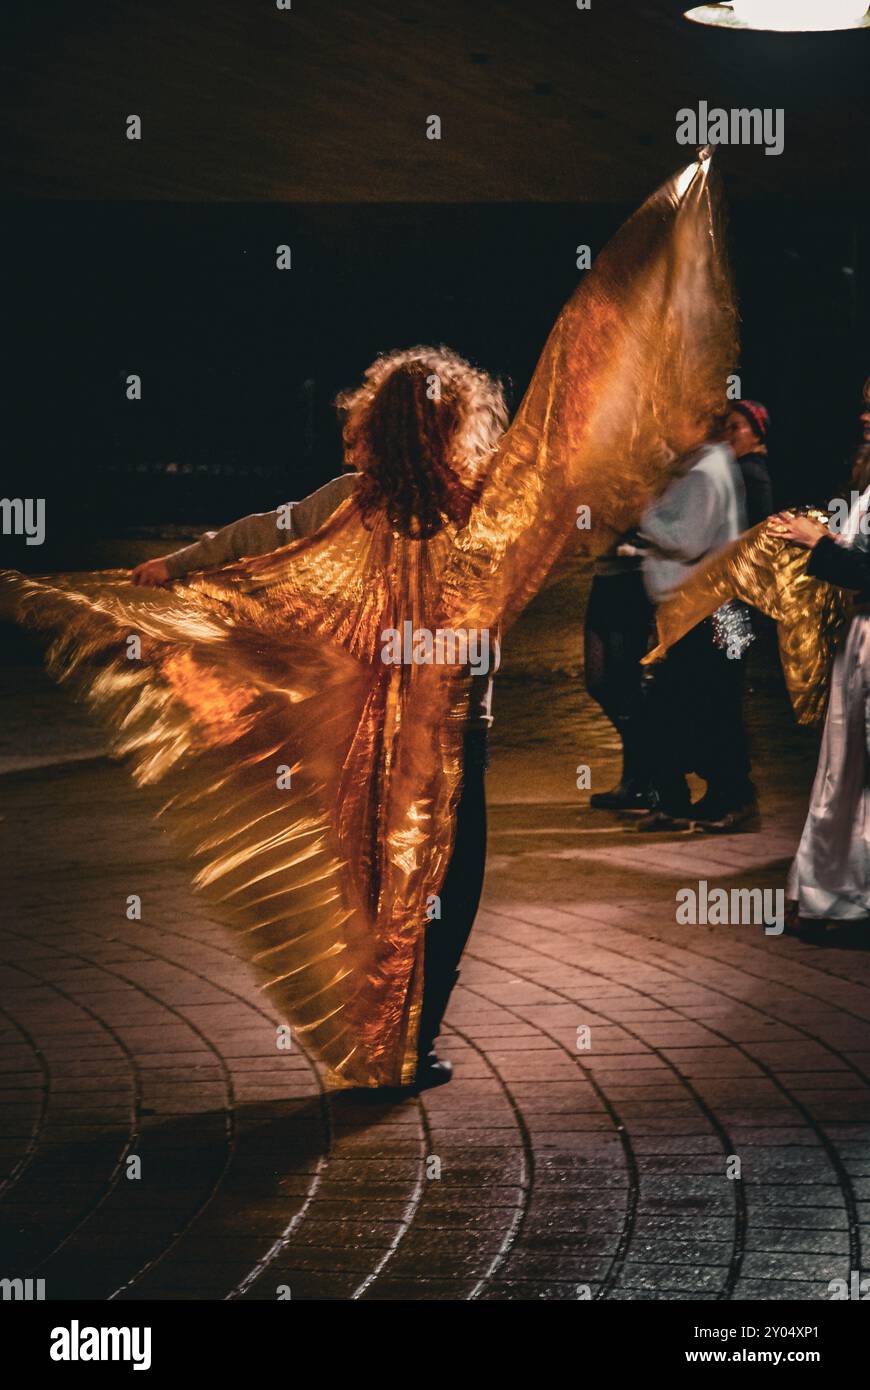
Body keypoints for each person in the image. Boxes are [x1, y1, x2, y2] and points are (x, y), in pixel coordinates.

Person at [136, 349, 503, 1089]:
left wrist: (175, 567)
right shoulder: (484, 506)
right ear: (458, 422)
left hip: (364, 727)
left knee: (375, 876)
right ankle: (415, 1038)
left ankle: (379, 1035)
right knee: (446, 884)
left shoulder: (343, 504)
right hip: (455, 730)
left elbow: (255, 540)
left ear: (375, 425)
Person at [768, 383, 870, 932]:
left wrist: (821, 545)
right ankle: (836, 892)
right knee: (845, 767)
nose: (864, 414)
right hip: (861, 640)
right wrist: (823, 539)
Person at [635, 427, 757, 833]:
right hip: (708, 608)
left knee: (708, 708)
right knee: (701, 707)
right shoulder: (706, 463)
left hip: (709, 610)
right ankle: (705, 799)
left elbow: (687, 540)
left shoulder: (705, 471)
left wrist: (642, 512)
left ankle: (731, 799)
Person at [585, 535, 655, 811]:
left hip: (632, 579)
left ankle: (639, 779)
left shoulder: (634, 491)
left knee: (626, 685)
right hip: (603, 578)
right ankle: (643, 770)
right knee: (598, 682)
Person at [724, 399, 774, 526]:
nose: (726, 434)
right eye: (726, 428)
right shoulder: (753, 467)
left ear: (756, 435)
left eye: (735, 427)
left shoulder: (747, 471)